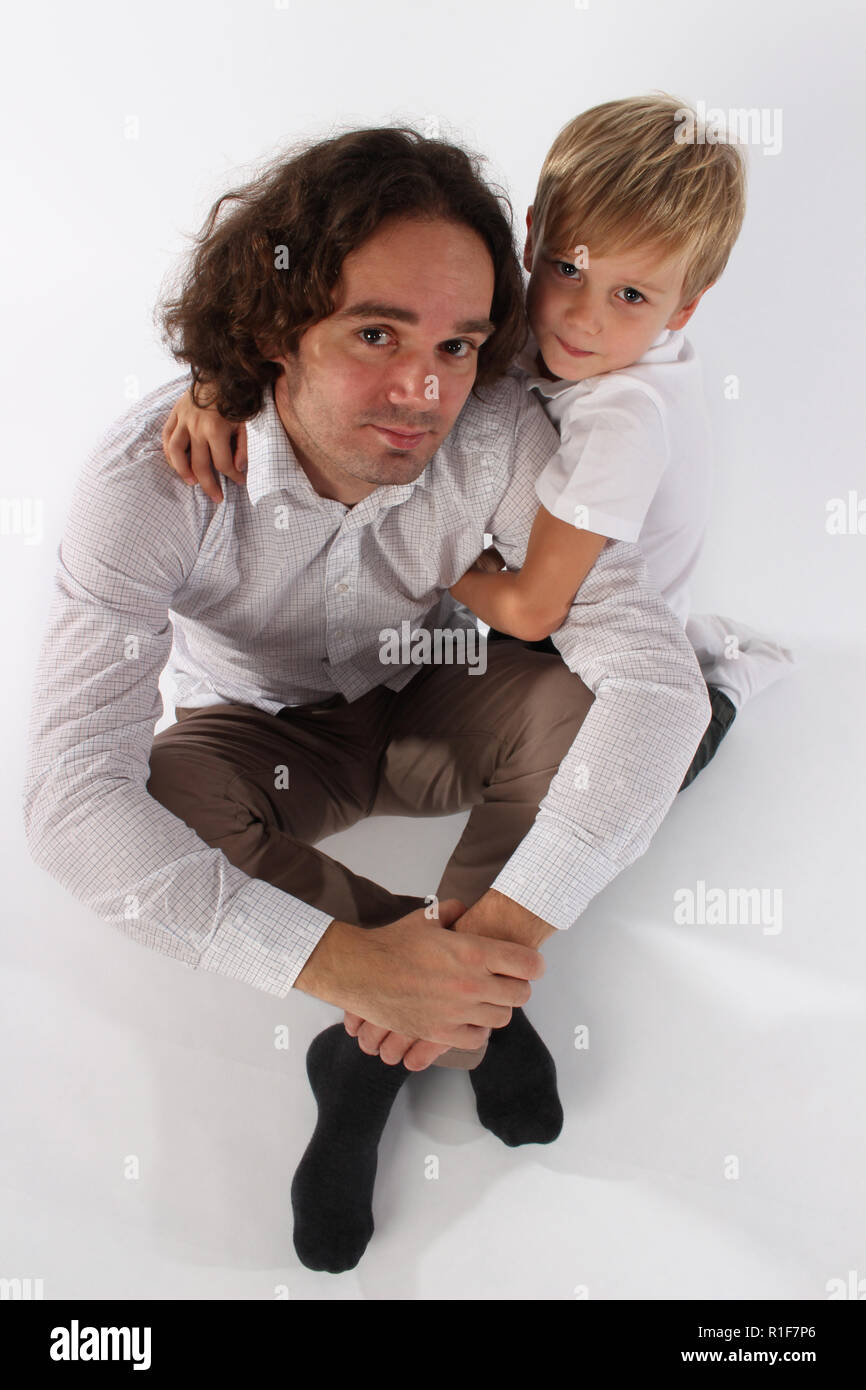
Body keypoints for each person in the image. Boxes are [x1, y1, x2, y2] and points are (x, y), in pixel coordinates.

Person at [23, 126, 711, 1274]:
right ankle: (419, 998)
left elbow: (652, 676)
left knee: (604, 712)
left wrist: (489, 938)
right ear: (270, 328)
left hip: (432, 688)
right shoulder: (152, 481)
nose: (423, 390)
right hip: (262, 730)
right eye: (375, 333)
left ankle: (412, 1024)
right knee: (159, 800)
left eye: (458, 342)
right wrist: (344, 960)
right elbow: (64, 798)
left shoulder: (495, 432)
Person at [447, 95, 795, 775]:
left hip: (609, 641)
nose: (583, 318)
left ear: (686, 306)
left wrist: (442, 567)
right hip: (551, 584)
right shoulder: (540, 324)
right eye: (568, 269)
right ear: (531, 236)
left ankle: (722, 686)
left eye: (630, 296)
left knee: (608, 774)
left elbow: (532, 610)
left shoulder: (621, 422)